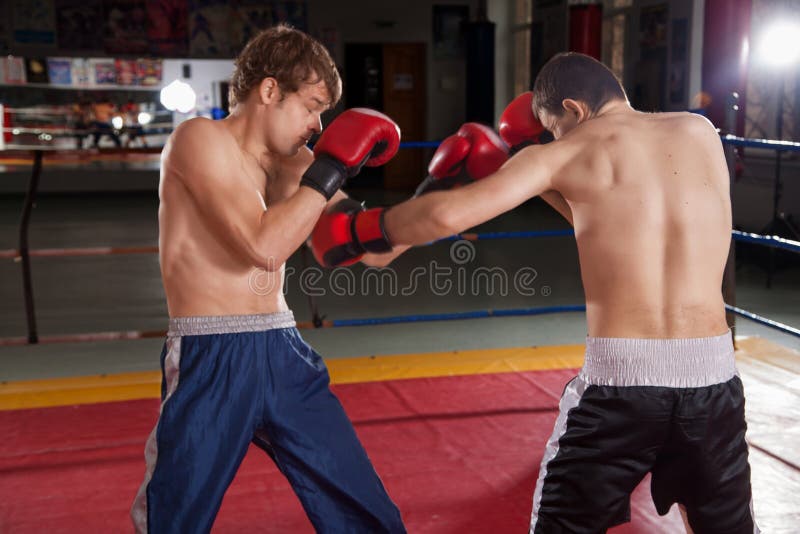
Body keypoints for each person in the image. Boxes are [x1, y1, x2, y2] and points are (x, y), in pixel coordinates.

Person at [312, 52, 758, 533]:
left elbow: (444, 217)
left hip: (623, 385)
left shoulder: (563, 152)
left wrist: (361, 230)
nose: (552, 140)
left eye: (553, 128)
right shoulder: (699, 132)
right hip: (713, 381)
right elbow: (621, 223)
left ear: (574, 109)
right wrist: (535, 173)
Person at [131, 25, 406, 533]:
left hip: (284, 351)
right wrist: (332, 170)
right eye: (312, 106)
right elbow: (263, 247)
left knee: (361, 502)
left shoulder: (296, 164)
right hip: (210, 356)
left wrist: (442, 193)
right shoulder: (198, 140)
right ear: (270, 90)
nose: (318, 124)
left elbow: (369, 249)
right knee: (177, 513)